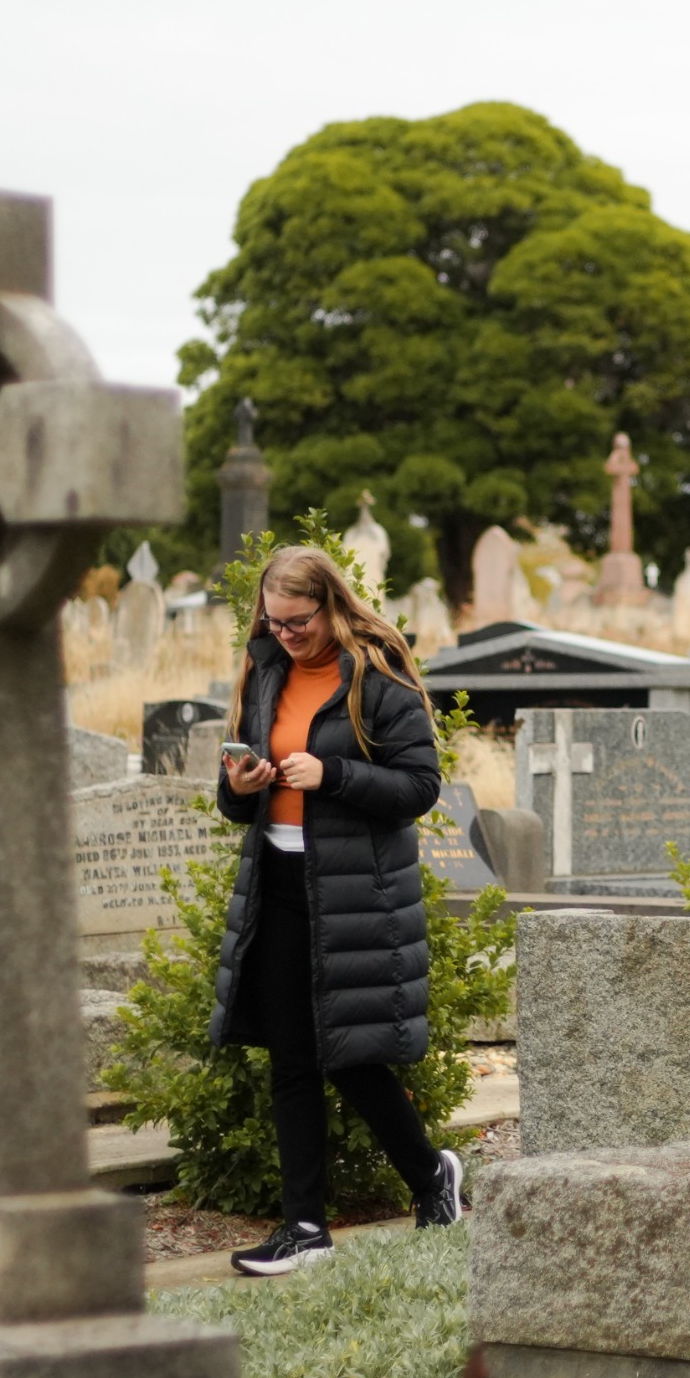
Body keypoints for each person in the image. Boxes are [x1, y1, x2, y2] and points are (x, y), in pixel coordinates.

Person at [212, 545, 461, 1275]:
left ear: (329, 605)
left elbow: (419, 787)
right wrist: (242, 782)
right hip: (278, 883)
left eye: (296, 622)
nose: (283, 634)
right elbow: (234, 807)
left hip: (353, 891)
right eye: (272, 621)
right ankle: (305, 1229)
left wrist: (334, 775)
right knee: (291, 1059)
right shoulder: (265, 667)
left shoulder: (378, 672)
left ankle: (431, 1178)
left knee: (349, 1059)